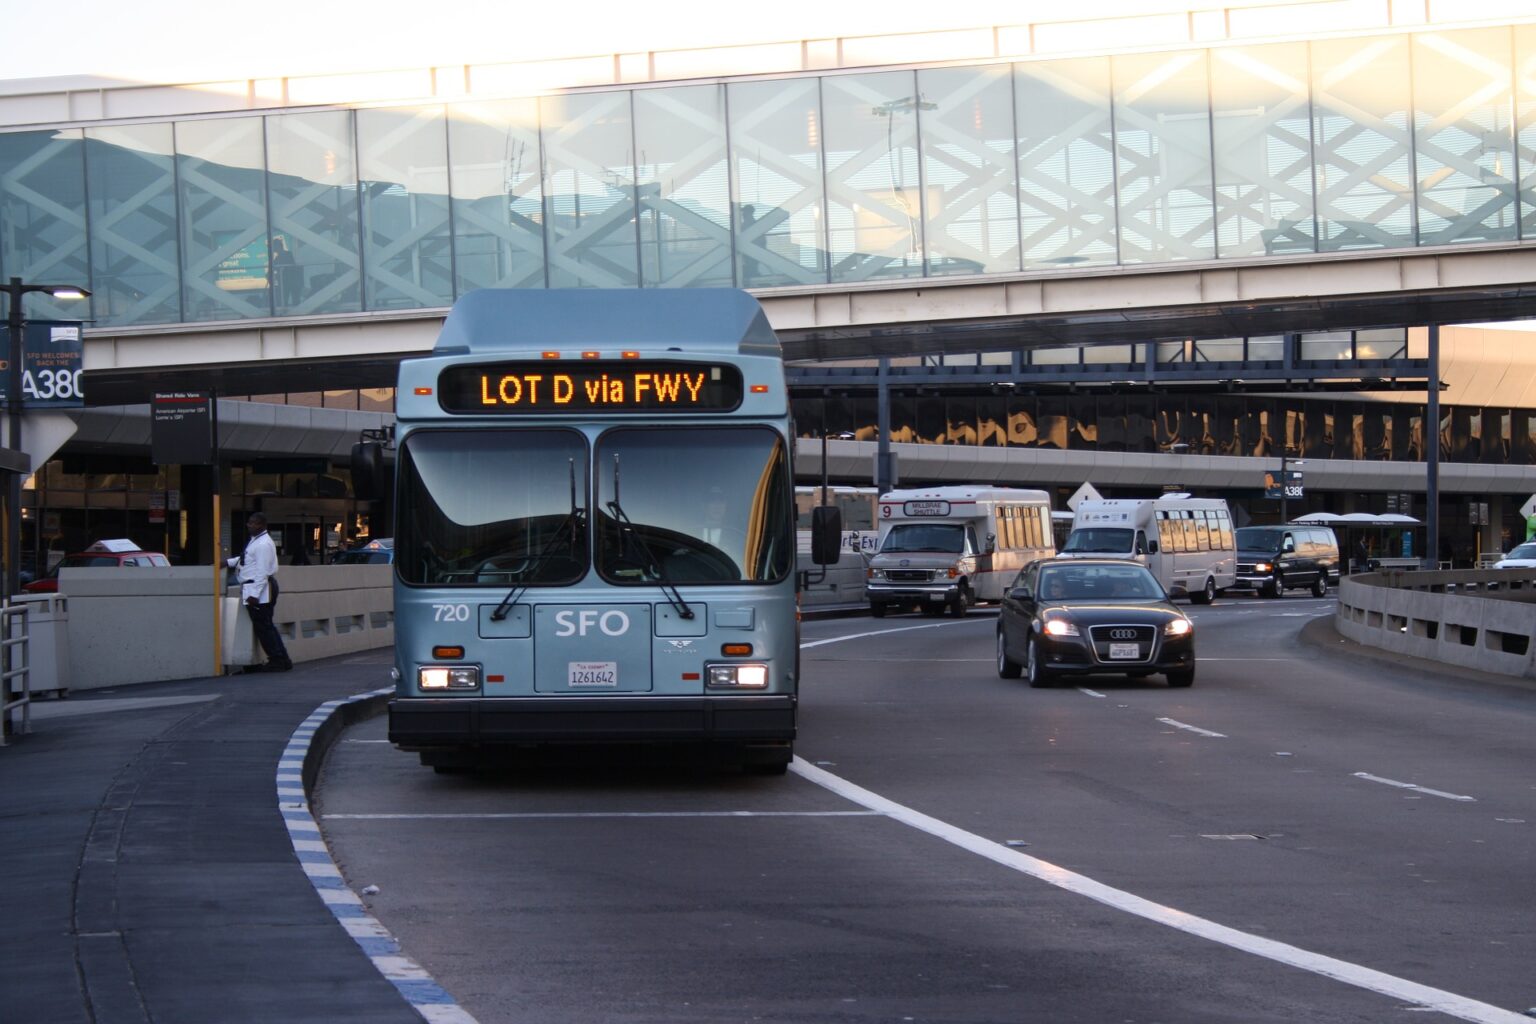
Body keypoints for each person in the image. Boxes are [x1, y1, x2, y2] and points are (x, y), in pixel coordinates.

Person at [227, 512, 292, 673]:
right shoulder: (257, 541)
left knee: (263, 627)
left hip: (259, 588)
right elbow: (246, 559)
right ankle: (283, 659)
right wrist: (227, 562)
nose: (249, 525)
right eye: (249, 522)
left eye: (253, 523)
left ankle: (276, 660)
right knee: (267, 625)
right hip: (259, 586)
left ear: (261, 525)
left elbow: (262, 571)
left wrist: (255, 594)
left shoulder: (263, 544)